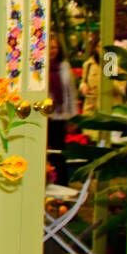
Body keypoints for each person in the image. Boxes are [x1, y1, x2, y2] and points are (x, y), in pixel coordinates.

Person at [46, 34, 77, 185]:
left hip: (60, 116)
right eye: (50, 47)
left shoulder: (64, 66)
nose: (52, 51)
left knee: (59, 152)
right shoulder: (40, 67)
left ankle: (61, 183)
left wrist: (73, 116)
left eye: (55, 48)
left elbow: (70, 91)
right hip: (45, 115)